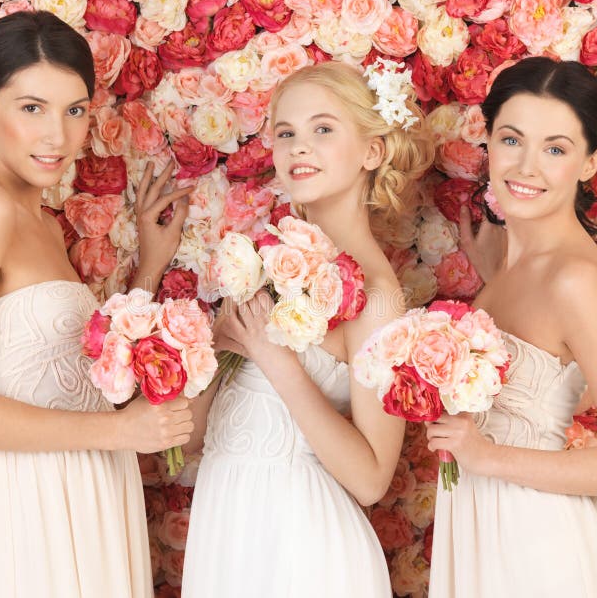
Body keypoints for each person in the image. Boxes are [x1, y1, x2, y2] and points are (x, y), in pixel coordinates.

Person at [0, 11, 193, 598]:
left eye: (74, 110)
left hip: (88, 488)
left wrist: (149, 267)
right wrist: (118, 434)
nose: (58, 137)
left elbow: (70, 374)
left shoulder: (38, 219)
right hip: (34, 501)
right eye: (31, 107)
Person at [180, 60, 435, 597]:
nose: (300, 147)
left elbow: (370, 480)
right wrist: (216, 347)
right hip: (227, 531)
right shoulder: (265, 261)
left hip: (301, 548)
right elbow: (197, 437)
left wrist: (276, 361)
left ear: (372, 150)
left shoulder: (377, 293)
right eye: (286, 133)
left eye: (323, 129)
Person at [425, 57, 597, 597]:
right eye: (512, 140)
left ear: (590, 162)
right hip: (488, 537)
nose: (526, 167)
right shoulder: (516, 264)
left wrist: (485, 455)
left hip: (541, 555)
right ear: (488, 141)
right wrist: (494, 281)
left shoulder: (572, 279)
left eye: (555, 149)